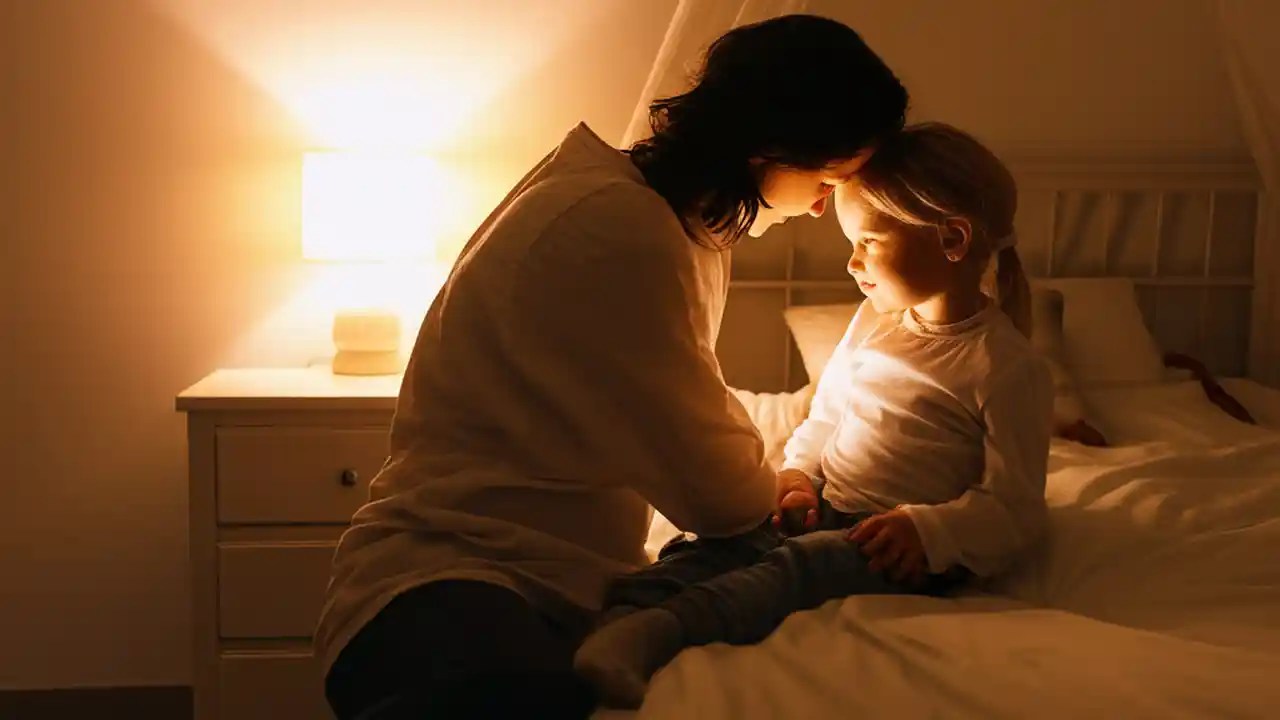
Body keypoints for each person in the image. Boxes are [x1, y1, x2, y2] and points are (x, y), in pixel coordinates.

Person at [316, 14, 908, 720]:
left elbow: (684, 405)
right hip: (448, 576)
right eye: (829, 178)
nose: (820, 208)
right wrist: (772, 482)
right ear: (771, 146)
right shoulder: (619, 229)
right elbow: (720, 496)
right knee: (524, 701)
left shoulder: (668, 221)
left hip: (534, 580)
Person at [572, 123, 1055, 709]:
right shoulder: (874, 322)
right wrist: (799, 473)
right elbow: (828, 414)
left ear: (952, 238)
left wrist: (929, 531)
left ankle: (662, 631)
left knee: (799, 567)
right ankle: (627, 607)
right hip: (829, 505)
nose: (853, 263)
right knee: (729, 536)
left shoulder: (1005, 366)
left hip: (900, 546)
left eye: (868, 242)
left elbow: (1015, 508)